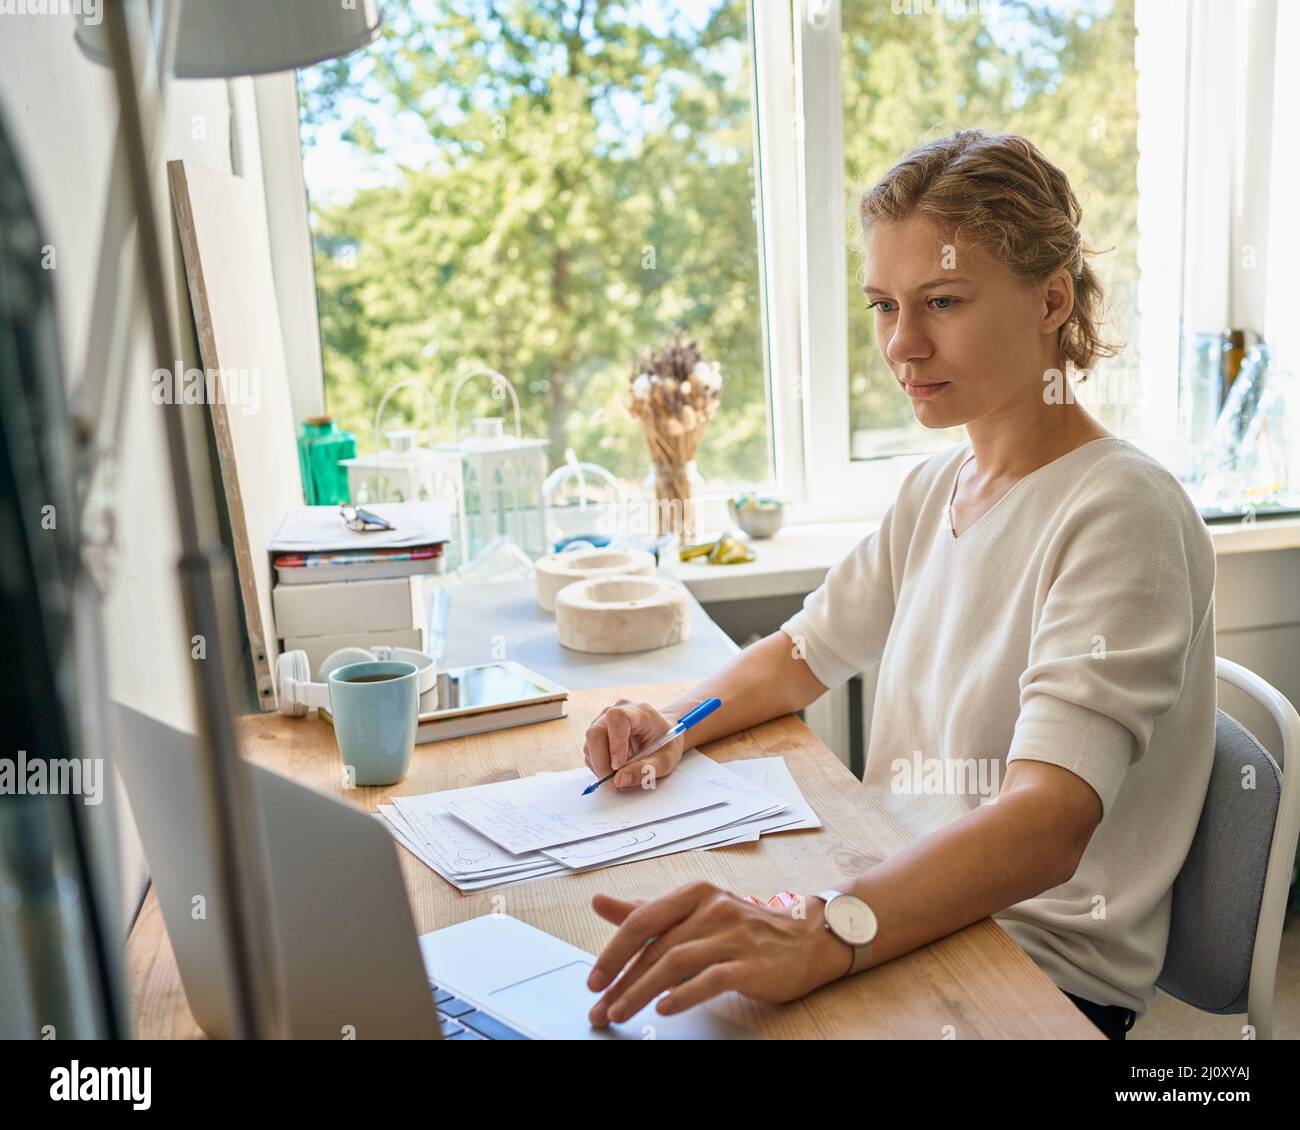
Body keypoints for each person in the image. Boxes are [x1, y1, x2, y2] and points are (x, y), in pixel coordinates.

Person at [581, 130, 1216, 1040]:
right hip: (890, 904)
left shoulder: (1123, 512)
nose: (902, 345)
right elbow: (803, 654)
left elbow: (1046, 824)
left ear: (1052, 298)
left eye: (943, 301)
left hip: (1028, 968)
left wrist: (825, 927)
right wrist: (672, 726)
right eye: (884, 305)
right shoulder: (934, 488)